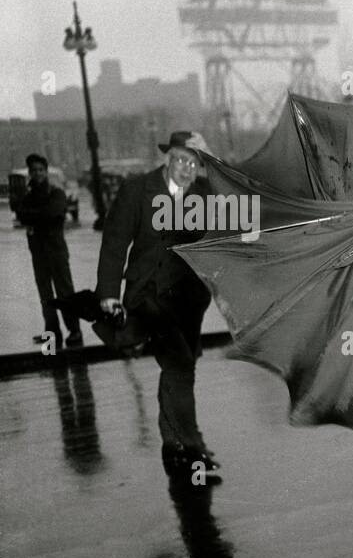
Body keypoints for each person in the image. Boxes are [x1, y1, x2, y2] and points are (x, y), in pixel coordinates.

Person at [96, 131, 222, 483]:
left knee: (180, 365)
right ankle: (191, 445)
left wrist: (211, 159)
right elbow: (115, 242)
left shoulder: (203, 193)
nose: (187, 168)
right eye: (182, 159)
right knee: (179, 360)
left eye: (195, 162)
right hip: (147, 293)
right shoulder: (138, 189)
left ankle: (173, 444)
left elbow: (236, 204)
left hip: (187, 296)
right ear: (168, 158)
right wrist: (108, 292)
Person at [16, 154, 81, 350]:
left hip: (56, 250)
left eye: (40, 170)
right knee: (45, 294)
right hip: (38, 251)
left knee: (64, 292)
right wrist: (35, 215)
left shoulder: (56, 193)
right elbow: (22, 215)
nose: (37, 174)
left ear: (46, 172)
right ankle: (52, 333)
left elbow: (51, 214)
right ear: (30, 173)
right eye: (33, 170)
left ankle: (74, 331)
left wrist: (32, 215)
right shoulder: (28, 196)